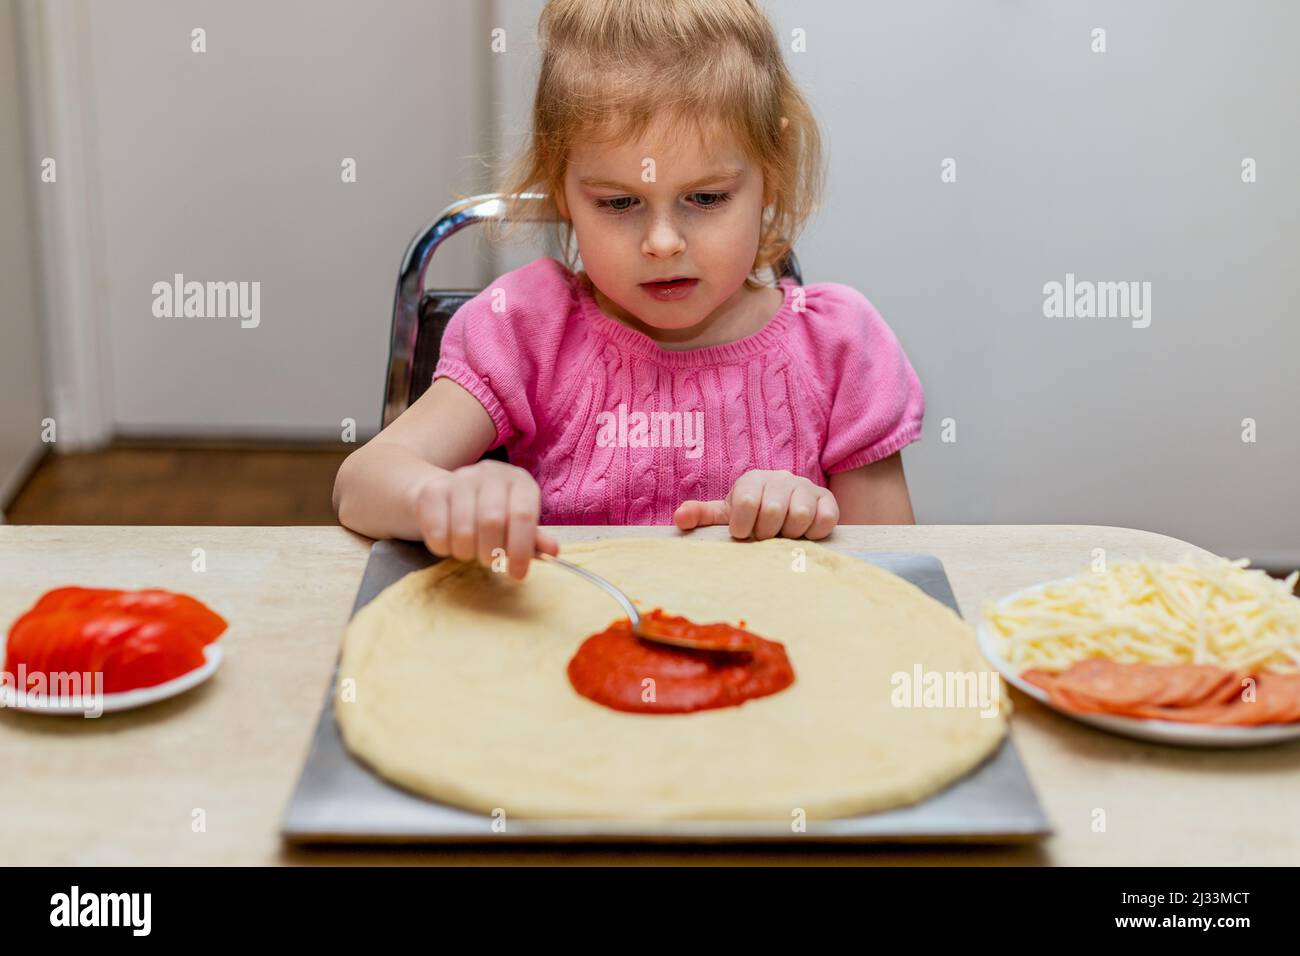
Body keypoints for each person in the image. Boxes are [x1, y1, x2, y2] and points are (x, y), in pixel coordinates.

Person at [334, 0, 924, 580]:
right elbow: (362, 482)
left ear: (770, 168)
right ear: (562, 184)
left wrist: (809, 513)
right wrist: (446, 497)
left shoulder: (841, 347)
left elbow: (892, 574)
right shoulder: (527, 328)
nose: (662, 242)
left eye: (707, 197)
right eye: (619, 203)